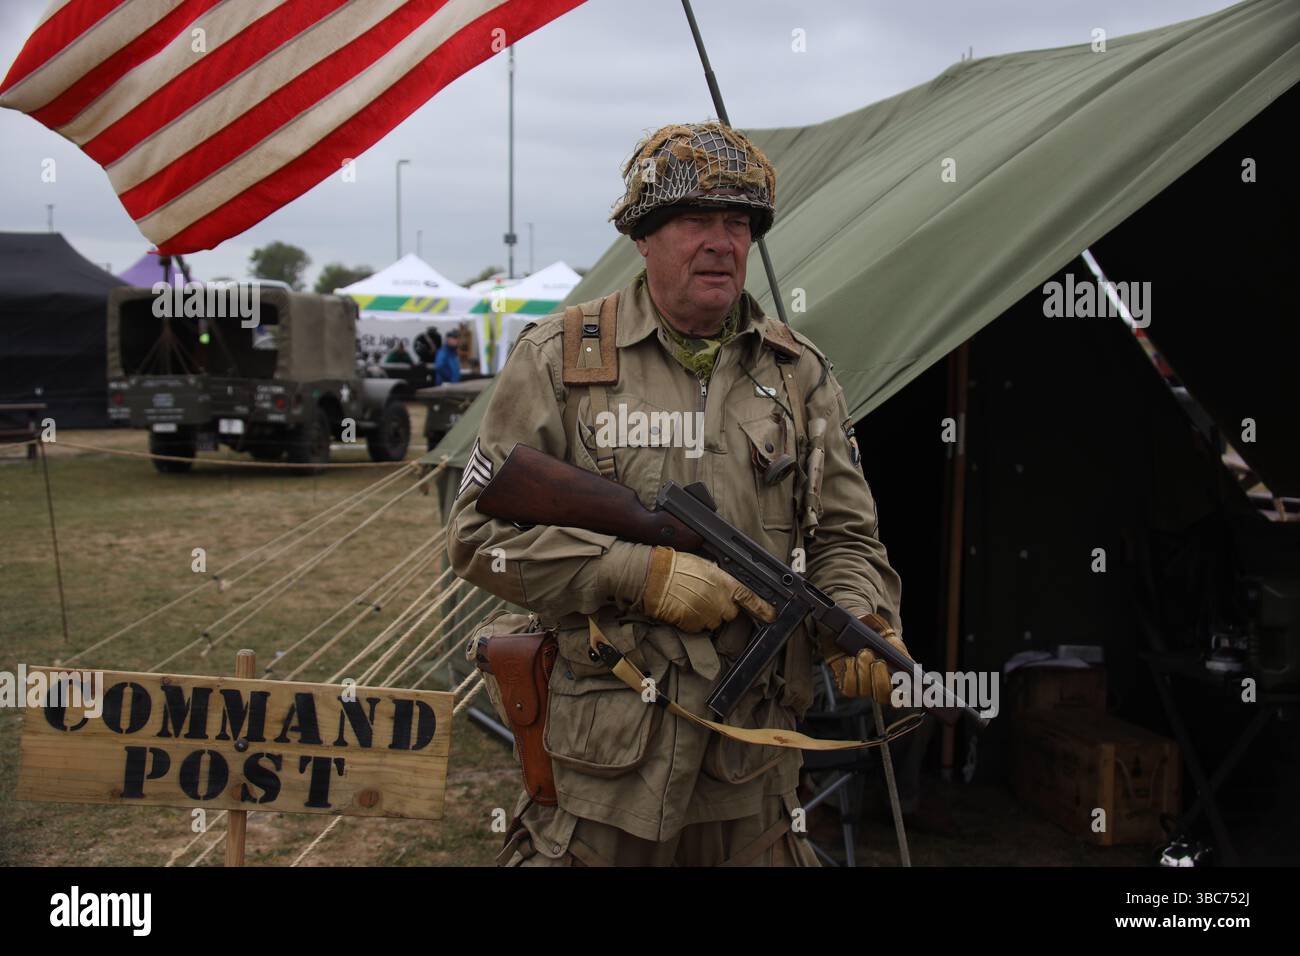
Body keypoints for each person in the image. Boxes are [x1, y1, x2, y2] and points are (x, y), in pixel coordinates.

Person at [448, 121, 908, 866]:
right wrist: (640, 573)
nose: (722, 242)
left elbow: (846, 536)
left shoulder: (799, 373)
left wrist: (862, 612)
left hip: (753, 774)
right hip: (603, 778)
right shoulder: (560, 361)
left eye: (738, 224)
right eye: (697, 220)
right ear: (643, 235)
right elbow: (476, 539)